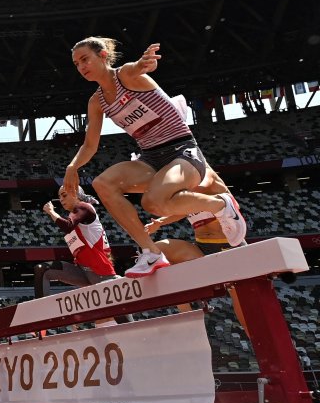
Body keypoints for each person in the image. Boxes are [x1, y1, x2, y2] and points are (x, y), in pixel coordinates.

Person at [62, 38, 243, 277]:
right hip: (151, 158)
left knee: (153, 202)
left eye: (85, 59)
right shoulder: (96, 102)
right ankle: (152, 253)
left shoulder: (125, 75)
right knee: (102, 183)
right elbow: (90, 144)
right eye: (76, 64)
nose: (81, 67)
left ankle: (221, 205)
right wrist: (72, 166)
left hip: (182, 150)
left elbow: (137, 67)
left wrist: (144, 64)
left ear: (103, 55)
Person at [143, 168, 249, 335]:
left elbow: (194, 192)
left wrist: (168, 189)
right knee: (157, 250)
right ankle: (189, 316)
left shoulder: (206, 174)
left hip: (230, 247)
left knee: (244, 310)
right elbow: (183, 209)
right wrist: (160, 222)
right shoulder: (181, 189)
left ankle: (257, 340)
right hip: (202, 248)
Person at [35, 185, 131, 328]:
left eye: (64, 195)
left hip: (101, 273)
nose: (61, 199)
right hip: (83, 273)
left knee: (124, 323)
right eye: (59, 197)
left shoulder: (83, 207)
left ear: (76, 194)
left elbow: (67, 226)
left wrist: (51, 212)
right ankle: (41, 320)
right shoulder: (75, 215)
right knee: (43, 270)